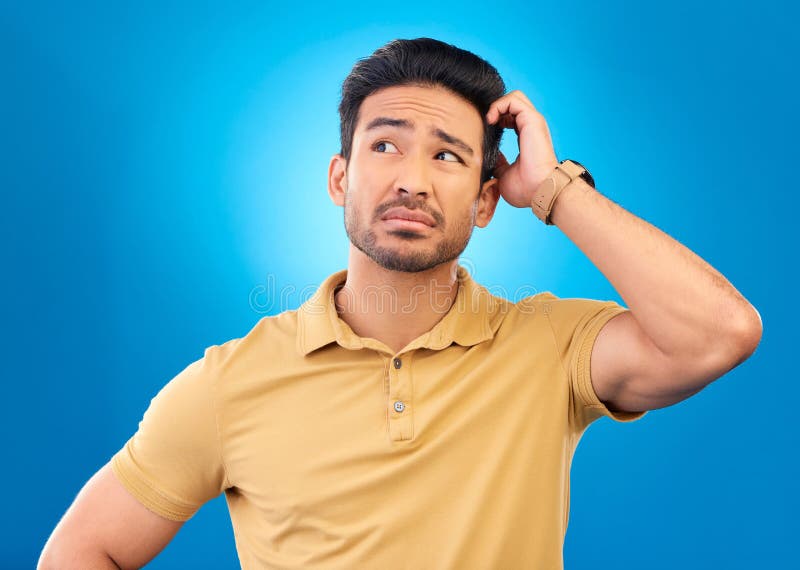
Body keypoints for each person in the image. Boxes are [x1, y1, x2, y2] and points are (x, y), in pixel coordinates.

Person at [38, 37, 762, 569]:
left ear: (485, 201)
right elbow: (84, 550)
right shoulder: (229, 383)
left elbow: (720, 332)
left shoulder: (550, 347)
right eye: (386, 146)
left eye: (447, 155)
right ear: (338, 179)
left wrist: (553, 189)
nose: (413, 179)